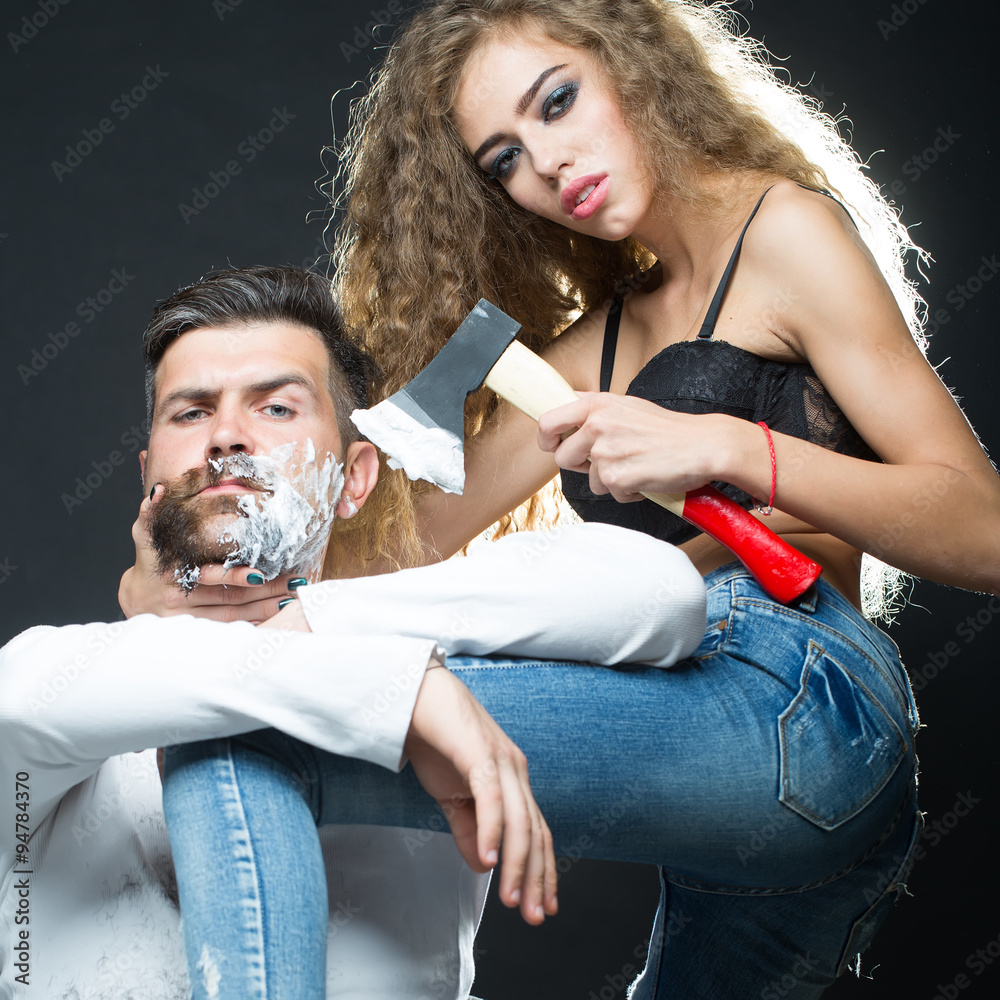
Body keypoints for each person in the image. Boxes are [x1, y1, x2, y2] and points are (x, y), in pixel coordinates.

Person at [118, 3, 1000, 997]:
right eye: (502, 158)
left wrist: (723, 444)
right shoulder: (586, 356)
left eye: (559, 101)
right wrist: (181, 552)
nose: (546, 162)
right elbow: (385, 549)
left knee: (242, 725)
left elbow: (983, 531)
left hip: (803, 693)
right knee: (244, 684)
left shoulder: (783, 232)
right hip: (731, 772)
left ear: (636, 67)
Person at [0, 264, 707, 1000]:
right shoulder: (62, 693)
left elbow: (660, 594)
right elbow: (19, 700)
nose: (226, 437)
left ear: (354, 478)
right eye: (190, 413)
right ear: (148, 474)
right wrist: (402, 688)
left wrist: (332, 624)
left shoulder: (411, 652)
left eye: (275, 408)